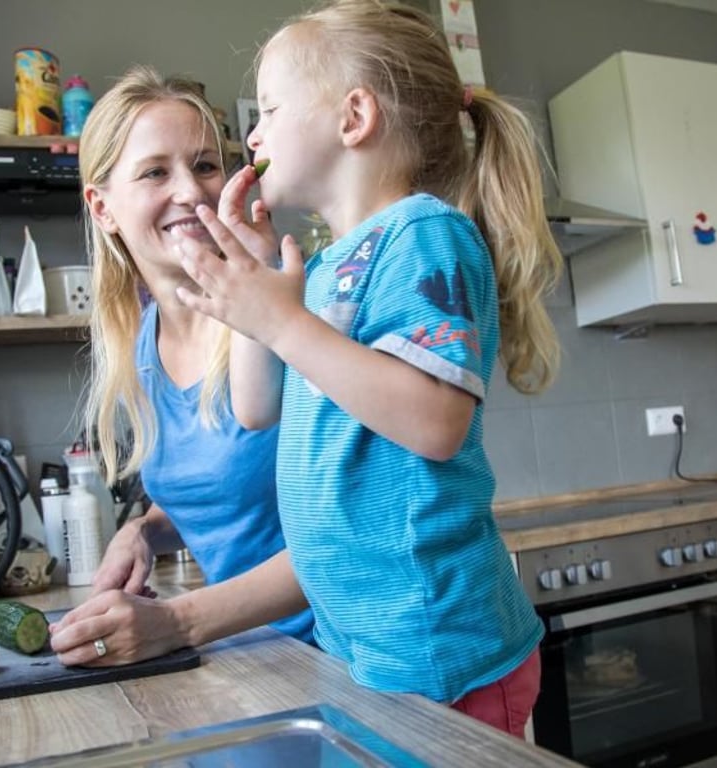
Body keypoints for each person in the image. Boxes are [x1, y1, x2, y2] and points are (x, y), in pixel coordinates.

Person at [173, 0, 562, 738]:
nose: (251, 134)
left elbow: (437, 422)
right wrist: (257, 287)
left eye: (271, 109)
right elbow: (258, 408)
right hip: (365, 647)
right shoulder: (319, 270)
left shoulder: (423, 233)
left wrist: (280, 318)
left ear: (354, 117)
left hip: (438, 646)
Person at [48, 66, 314, 667]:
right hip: (255, 665)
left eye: (204, 165)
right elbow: (224, 498)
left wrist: (175, 621)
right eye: (154, 172)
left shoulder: (292, 305)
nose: (191, 192)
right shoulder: (140, 345)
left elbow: (355, 523)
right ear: (103, 206)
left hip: (348, 660)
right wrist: (141, 530)